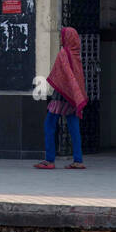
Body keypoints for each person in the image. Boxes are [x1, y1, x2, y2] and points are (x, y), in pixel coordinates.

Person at [35, 26, 88, 169]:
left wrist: (63, 85)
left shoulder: (64, 53)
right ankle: (78, 160)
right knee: (73, 126)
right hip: (72, 95)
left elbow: (63, 73)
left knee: (49, 124)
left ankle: (49, 159)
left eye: (62, 36)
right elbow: (75, 77)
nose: (60, 39)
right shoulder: (76, 53)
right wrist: (75, 92)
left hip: (61, 95)